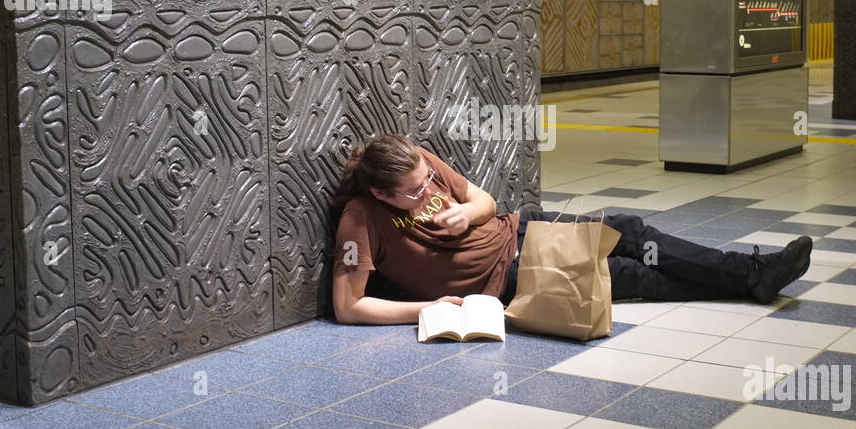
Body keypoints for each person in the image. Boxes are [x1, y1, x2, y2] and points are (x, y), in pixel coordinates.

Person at [330, 135, 813, 325]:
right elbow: (348, 306)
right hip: (503, 280)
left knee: (627, 231)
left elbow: (485, 200)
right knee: (622, 275)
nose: (426, 189)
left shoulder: (422, 164)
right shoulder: (361, 220)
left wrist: (468, 214)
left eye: (426, 181)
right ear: (381, 194)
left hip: (518, 229)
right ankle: (752, 278)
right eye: (413, 192)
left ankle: (751, 271)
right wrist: (426, 309)